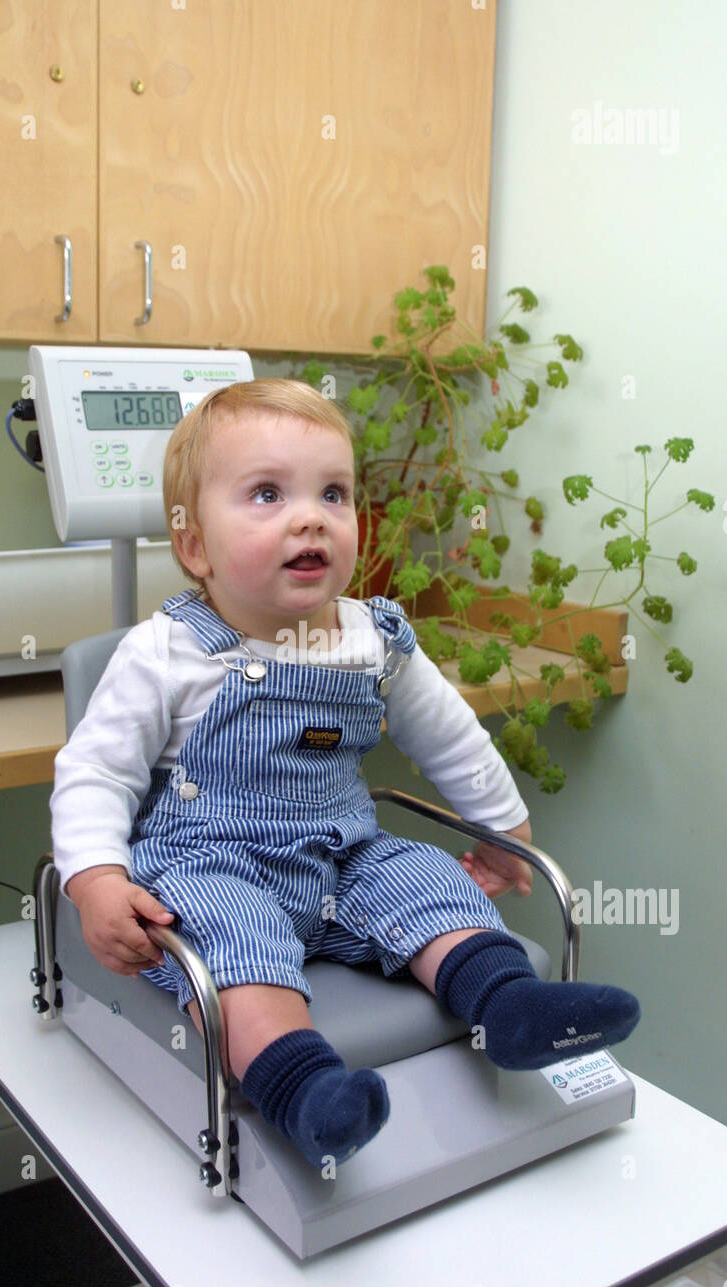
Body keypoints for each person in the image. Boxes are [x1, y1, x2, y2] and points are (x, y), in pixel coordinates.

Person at [51, 379, 640, 1170]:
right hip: (210, 865)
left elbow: (450, 737)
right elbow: (94, 772)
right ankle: (307, 1091)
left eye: (334, 493)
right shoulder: (168, 653)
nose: (310, 517)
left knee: (427, 880)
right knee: (234, 941)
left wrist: (502, 830)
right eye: (266, 494)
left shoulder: (375, 640)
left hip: (344, 853)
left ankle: (511, 1009)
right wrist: (93, 879)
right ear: (195, 547)